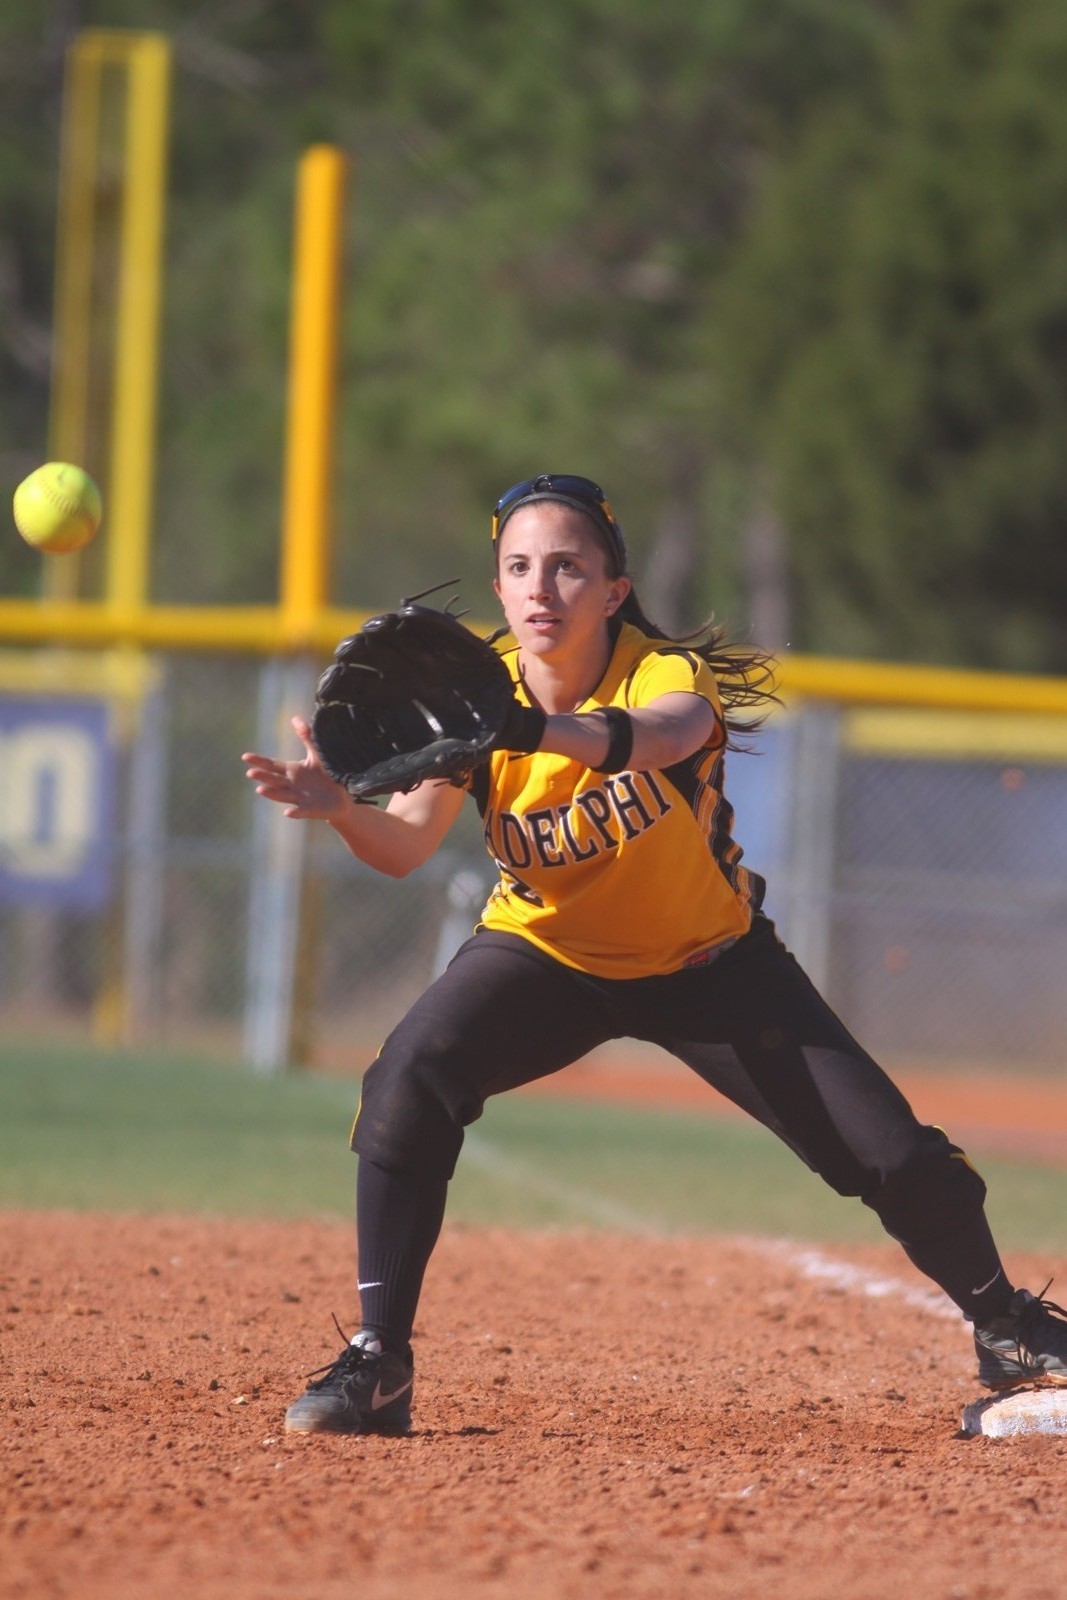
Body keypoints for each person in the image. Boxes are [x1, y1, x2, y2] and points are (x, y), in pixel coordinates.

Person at [242, 472, 1067, 1436]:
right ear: (499, 588)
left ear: (613, 589)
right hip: (544, 955)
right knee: (406, 1075)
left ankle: (1004, 1324)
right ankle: (378, 1362)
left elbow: (655, 739)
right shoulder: (478, 697)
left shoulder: (662, 675)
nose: (540, 587)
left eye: (566, 567)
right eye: (518, 568)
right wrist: (343, 812)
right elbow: (404, 846)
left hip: (706, 961)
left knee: (889, 1153)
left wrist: (531, 728)